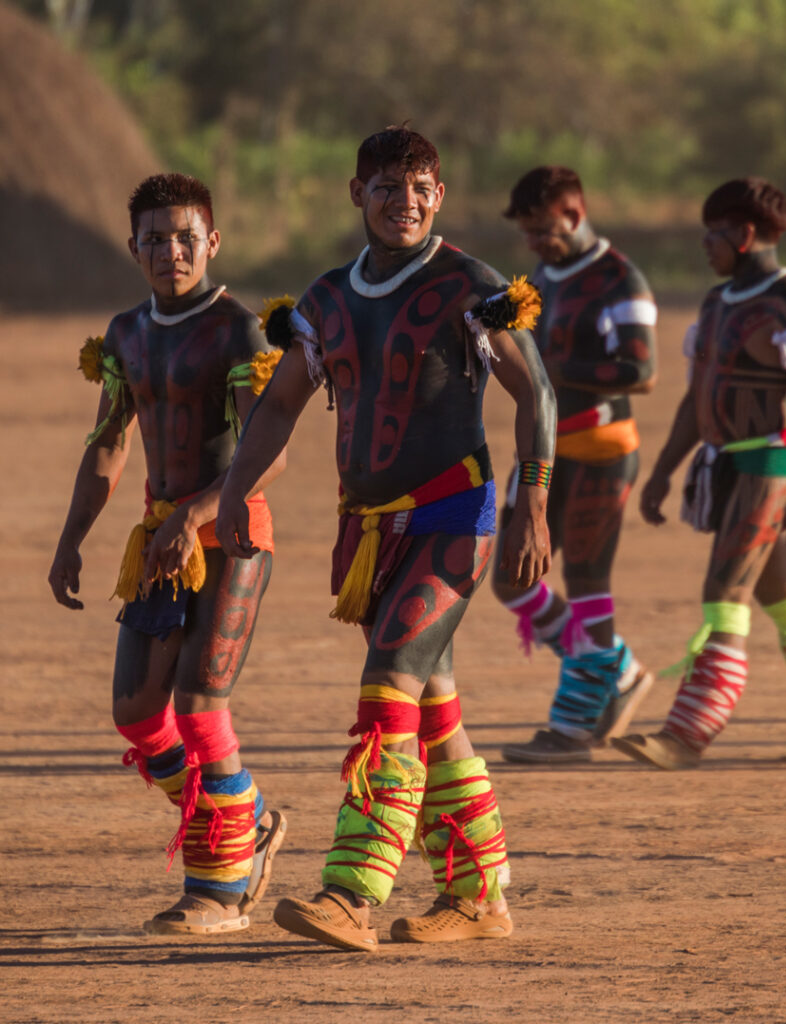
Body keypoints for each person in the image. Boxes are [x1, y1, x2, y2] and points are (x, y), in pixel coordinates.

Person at [216, 126, 556, 952]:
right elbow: (281, 406)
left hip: (454, 514)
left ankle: (351, 894)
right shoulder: (327, 300)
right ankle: (480, 897)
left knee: (388, 685)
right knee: (432, 710)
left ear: (438, 197)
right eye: (386, 188)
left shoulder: (471, 285)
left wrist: (533, 503)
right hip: (368, 533)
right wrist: (232, 490)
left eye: (419, 189)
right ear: (357, 193)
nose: (403, 202)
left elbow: (537, 392)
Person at [48, 173, 288, 933]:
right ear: (134, 248)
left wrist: (194, 515)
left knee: (197, 703)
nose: (172, 251)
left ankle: (218, 890)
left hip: (232, 536)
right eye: (156, 239)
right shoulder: (124, 335)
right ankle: (239, 812)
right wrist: (70, 541)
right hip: (159, 541)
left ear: (212, 242)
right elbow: (108, 445)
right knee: (136, 715)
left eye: (186, 238)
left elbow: (268, 449)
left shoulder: (239, 330)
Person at [612, 177, 786, 770]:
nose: (705, 244)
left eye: (713, 234)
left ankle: (685, 737)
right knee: (782, 594)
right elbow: (696, 395)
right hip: (725, 463)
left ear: (745, 235)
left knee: (723, 592)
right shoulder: (715, 302)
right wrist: (664, 470)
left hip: (773, 461)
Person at [493, 166, 658, 765]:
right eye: (528, 234)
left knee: (588, 583)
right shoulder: (542, 276)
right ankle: (611, 667)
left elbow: (642, 371)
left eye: (543, 229)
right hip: (546, 451)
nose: (535, 243)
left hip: (603, 449)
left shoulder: (620, 279)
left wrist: (559, 376)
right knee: (511, 578)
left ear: (573, 211)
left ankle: (575, 727)